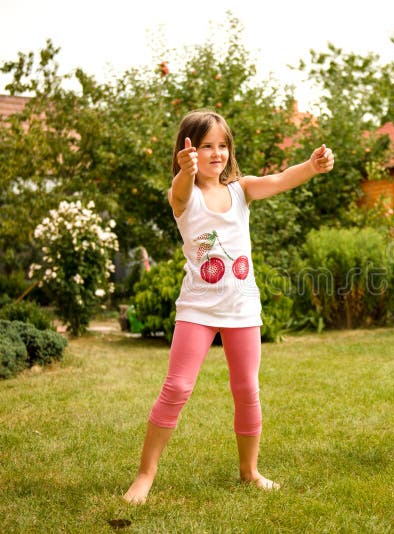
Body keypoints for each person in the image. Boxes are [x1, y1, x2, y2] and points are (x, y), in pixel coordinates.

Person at [124, 110, 334, 504]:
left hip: (241, 309)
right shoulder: (185, 196)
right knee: (178, 387)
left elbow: (281, 179)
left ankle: (249, 471)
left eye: (222, 145)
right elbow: (179, 192)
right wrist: (185, 172)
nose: (216, 153)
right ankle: (145, 474)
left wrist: (311, 165)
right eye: (206, 146)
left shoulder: (241, 190)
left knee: (247, 389)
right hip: (198, 309)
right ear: (188, 151)